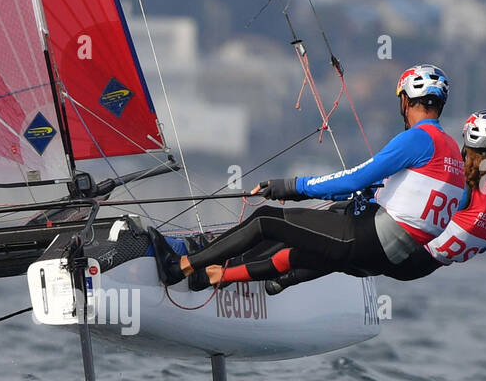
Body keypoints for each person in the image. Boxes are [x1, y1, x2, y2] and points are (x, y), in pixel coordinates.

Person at [149, 63, 465, 288]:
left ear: (406, 100)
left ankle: (180, 267)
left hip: (369, 238)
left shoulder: (419, 138)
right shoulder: (451, 151)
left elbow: (356, 179)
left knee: (266, 221)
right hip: (390, 258)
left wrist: (293, 187)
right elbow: (404, 196)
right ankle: (216, 277)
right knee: (296, 249)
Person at [264, 109, 486, 293]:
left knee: (342, 222)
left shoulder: (459, 180)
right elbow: (480, 246)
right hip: (420, 268)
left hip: (404, 252)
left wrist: (364, 190)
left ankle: (266, 268)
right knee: (347, 250)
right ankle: (283, 280)